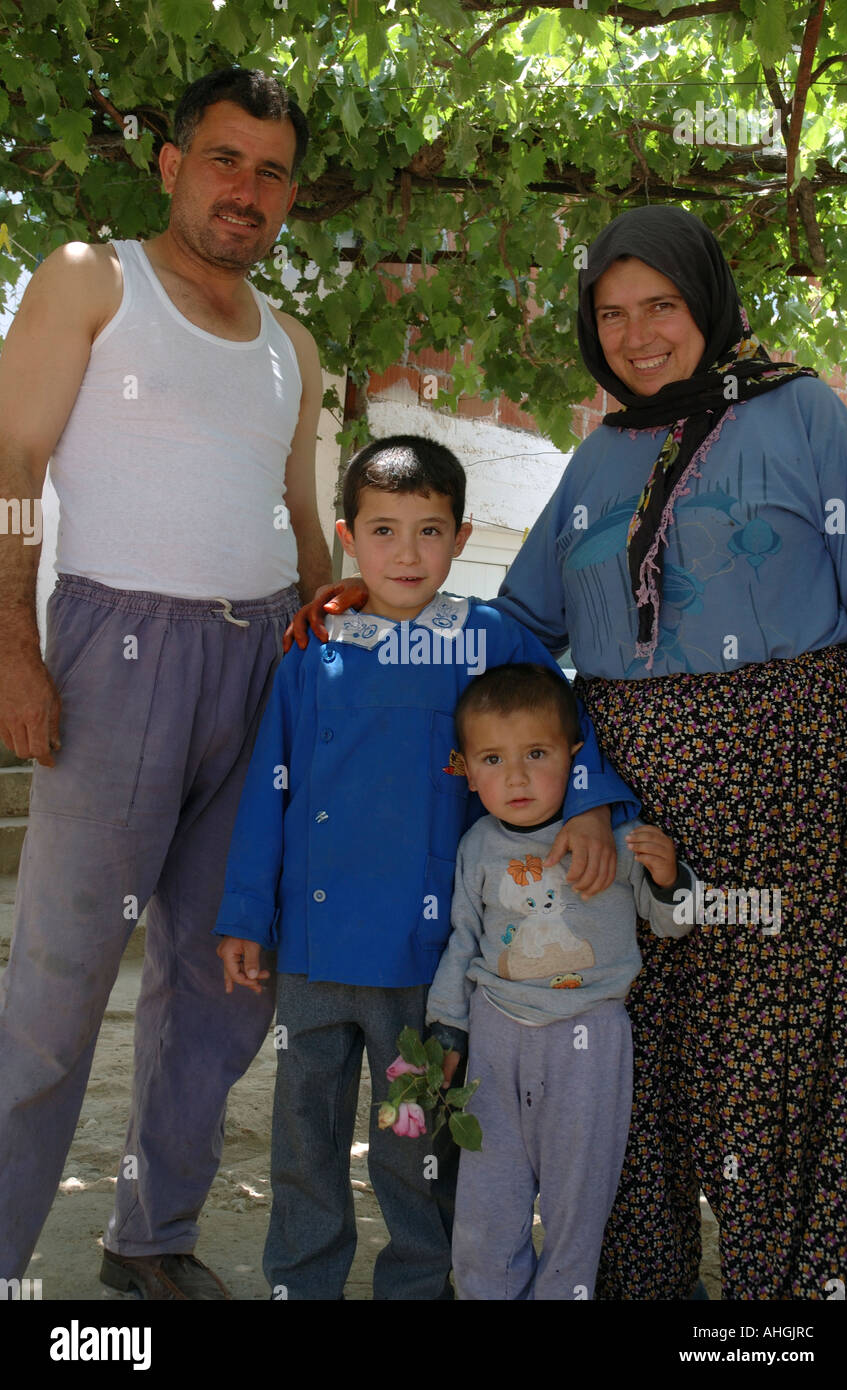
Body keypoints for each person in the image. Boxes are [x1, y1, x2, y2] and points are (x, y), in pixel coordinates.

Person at [289, 205, 847, 1300]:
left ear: (708, 299)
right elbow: (515, 627)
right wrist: (372, 606)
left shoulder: (804, 417)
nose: (639, 334)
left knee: (776, 1069)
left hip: (785, 789)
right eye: (612, 314)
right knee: (629, 1066)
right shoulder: (601, 455)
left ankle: (779, 1309)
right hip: (623, 809)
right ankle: (643, 1290)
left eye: (662, 305)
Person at [0, 67, 332, 1300]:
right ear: (173, 164)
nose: (246, 189)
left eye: (272, 171)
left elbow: (304, 527)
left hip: (265, 669)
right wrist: (11, 647)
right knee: (59, 987)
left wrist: (328, 680)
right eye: (224, 158)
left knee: (221, 981)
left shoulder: (291, 347)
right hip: (115, 655)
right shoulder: (93, 278)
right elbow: (12, 458)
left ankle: (150, 1241)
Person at [213, 434, 639, 1300]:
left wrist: (593, 804)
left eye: (430, 531)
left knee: (418, 1147)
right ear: (347, 537)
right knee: (304, 1138)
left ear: (461, 533)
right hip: (313, 948)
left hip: (429, 954)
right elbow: (269, 788)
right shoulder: (313, 650)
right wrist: (243, 912)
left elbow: (567, 728)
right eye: (383, 531)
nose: (406, 554)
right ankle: (301, 1283)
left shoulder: (492, 639)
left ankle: (417, 1287)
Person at [424, 663, 695, 1300]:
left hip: (590, 1036)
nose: (515, 776)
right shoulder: (476, 846)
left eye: (537, 753)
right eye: (492, 758)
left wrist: (668, 878)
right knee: (488, 1199)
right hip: (495, 1029)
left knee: (579, 1201)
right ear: (464, 767)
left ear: (575, 757)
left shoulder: (618, 839)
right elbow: (461, 941)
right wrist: (446, 1030)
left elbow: (673, 925)